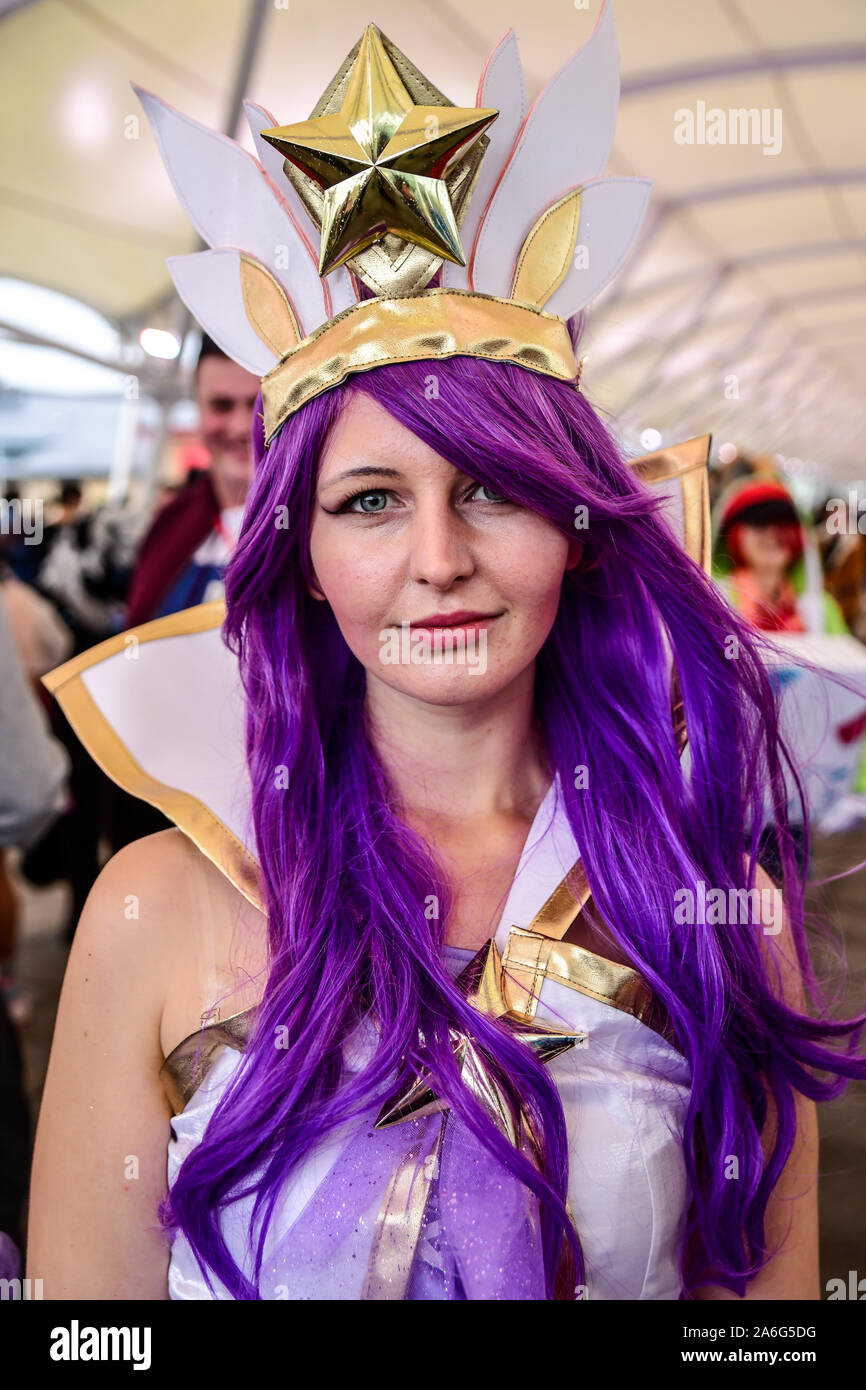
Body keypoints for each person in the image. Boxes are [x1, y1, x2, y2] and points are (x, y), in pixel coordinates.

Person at [28, 8, 866, 1301]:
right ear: (303, 552)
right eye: (370, 500)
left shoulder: (711, 902)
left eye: (492, 488)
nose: (437, 558)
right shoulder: (149, 910)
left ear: (577, 529)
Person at [124, 335, 260, 627]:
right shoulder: (171, 524)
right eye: (221, 406)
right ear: (198, 409)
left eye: (259, 404)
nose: (241, 426)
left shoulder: (317, 522)